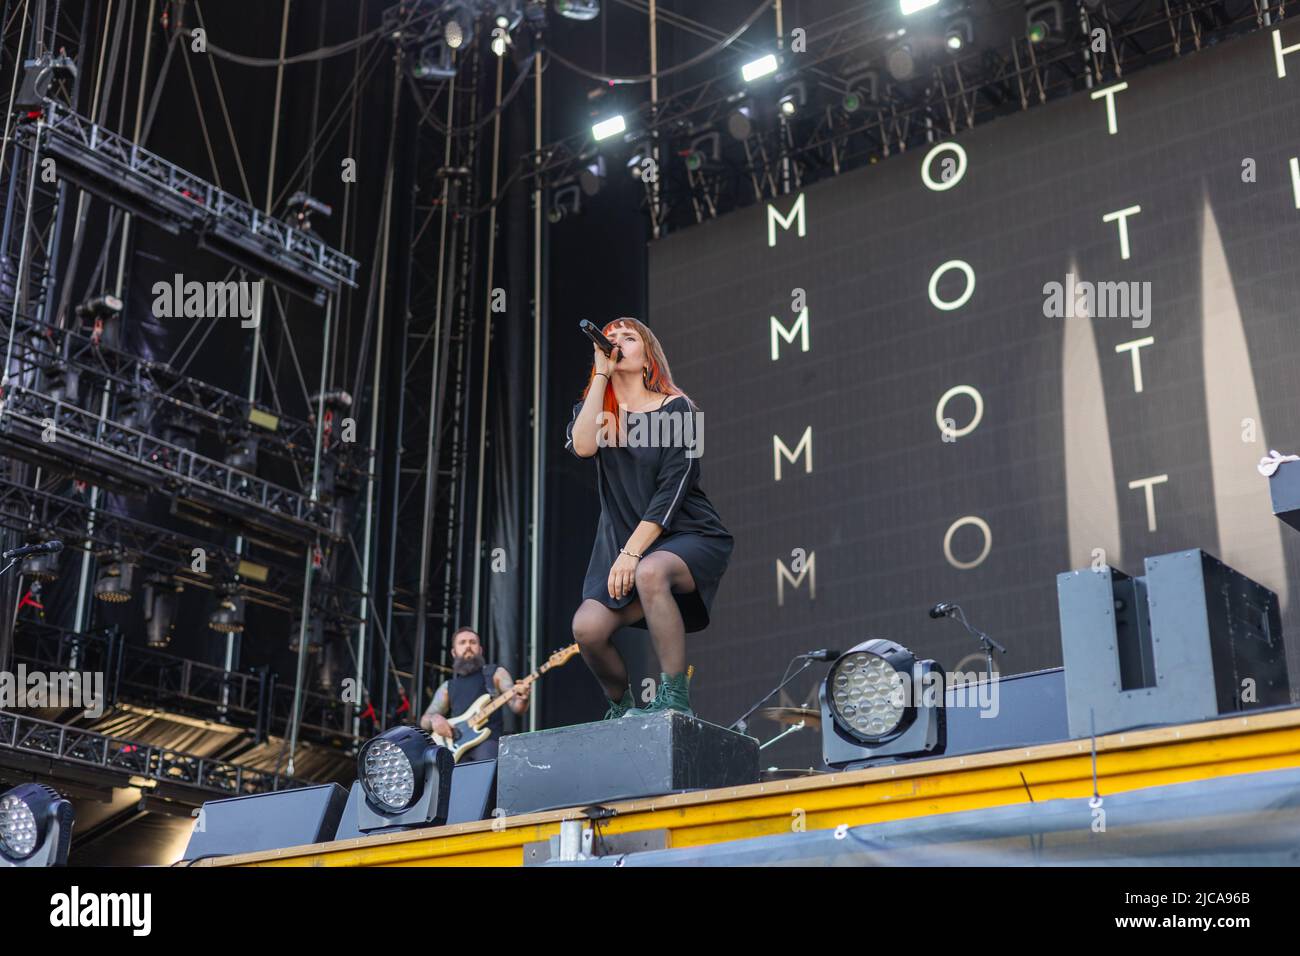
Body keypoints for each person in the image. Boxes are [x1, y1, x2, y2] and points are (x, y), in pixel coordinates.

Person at [565, 317, 734, 719]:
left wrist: (631, 553)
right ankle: (622, 710)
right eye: (611, 338)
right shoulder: (599, 410)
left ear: (647, 358)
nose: (618, 341)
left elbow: (674, 489)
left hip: (687, 534)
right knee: (587, 629)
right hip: (627, 545)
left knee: (650, 572)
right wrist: (601, 375)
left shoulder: (678, 408)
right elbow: (584, 446)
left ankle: (674, 698)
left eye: (629, 337)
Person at [419, 627, 529, 761]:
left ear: (480, 650)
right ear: (454, 653)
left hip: (488, 744)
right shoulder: (448, 687)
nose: (468, 646)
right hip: (455, 748)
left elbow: (517, 706)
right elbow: (424, 720)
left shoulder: (495, 673)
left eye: (472, 642)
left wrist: (523, 698)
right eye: (462, 642)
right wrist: (434, 719)